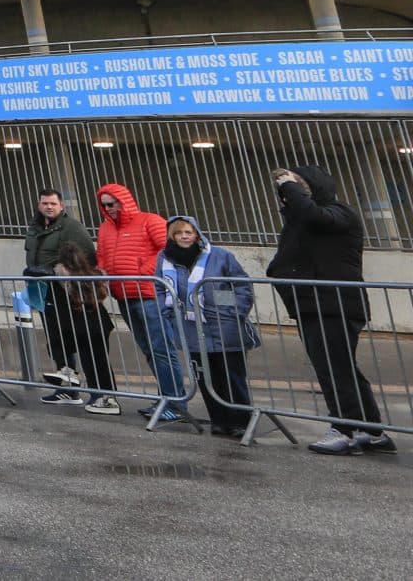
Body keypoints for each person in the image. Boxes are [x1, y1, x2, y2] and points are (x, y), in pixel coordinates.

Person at [267, 165, 391, 455]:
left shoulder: (338, 213)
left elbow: (312, 216)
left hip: (332, 305)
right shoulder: (305, 220)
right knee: (342, 368)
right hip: (314, 305)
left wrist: (289, 186)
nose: (288, 193)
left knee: (334, 370)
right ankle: (371, 431)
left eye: (297, 187)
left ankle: (344, 429)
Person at [154, 216, 256, 437]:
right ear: (172, 236)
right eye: (179, 232)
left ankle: (240, 422)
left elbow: (241, 285)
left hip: (224, 328)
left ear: (197, 234)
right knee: (205, 377)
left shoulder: (220, 255)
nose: (184, 236)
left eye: (188, 232)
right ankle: (218, 420)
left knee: (231, 377)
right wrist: (168, 314)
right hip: (191, 329)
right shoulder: (165, 258)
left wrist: (231, 311)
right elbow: (160, 288)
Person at [95, 183, 187, 419]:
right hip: (124, 295)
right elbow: (102, 256)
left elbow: (168, 248)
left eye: (112, 203)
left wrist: (144, 271)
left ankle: (175, 403)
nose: (109, 208)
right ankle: (166, 399)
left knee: (161, 349)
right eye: (105, 205)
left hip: (149, 294)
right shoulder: (105, 229)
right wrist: (103, 274)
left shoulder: (149, 221)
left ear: (123, 201)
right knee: (149, 349)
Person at [24, 189, 92, 389]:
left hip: (63, 289)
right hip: (40, 288)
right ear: (39, 205)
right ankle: (64, 376)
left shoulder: (71, 227)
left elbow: (88, 254)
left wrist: (60, 270)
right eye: (45, 203)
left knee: (67, 332)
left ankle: (73, 377)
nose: (49, 207)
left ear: (61, 206)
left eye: (53, 203)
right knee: (53, 333)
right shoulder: (34, 228)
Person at [50, 240, 121, 414]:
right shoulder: (94, 274)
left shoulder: (63, 277)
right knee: (100, 361)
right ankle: (104, 397)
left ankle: (104, 399)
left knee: (91, 362)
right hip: (100, 322)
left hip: (83, 324)